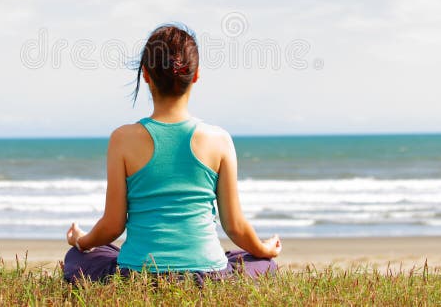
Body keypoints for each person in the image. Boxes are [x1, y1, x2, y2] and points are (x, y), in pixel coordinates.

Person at [63, 24, 281, 283]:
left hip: (138, 275)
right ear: (196, 74)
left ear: (145, 74)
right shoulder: (219, 140)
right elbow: (234, 226)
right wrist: (264, 250)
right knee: (260, 263)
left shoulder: (122, 139)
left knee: (79, 258)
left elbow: (112, 225)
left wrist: (81, 240)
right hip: (207, 275)